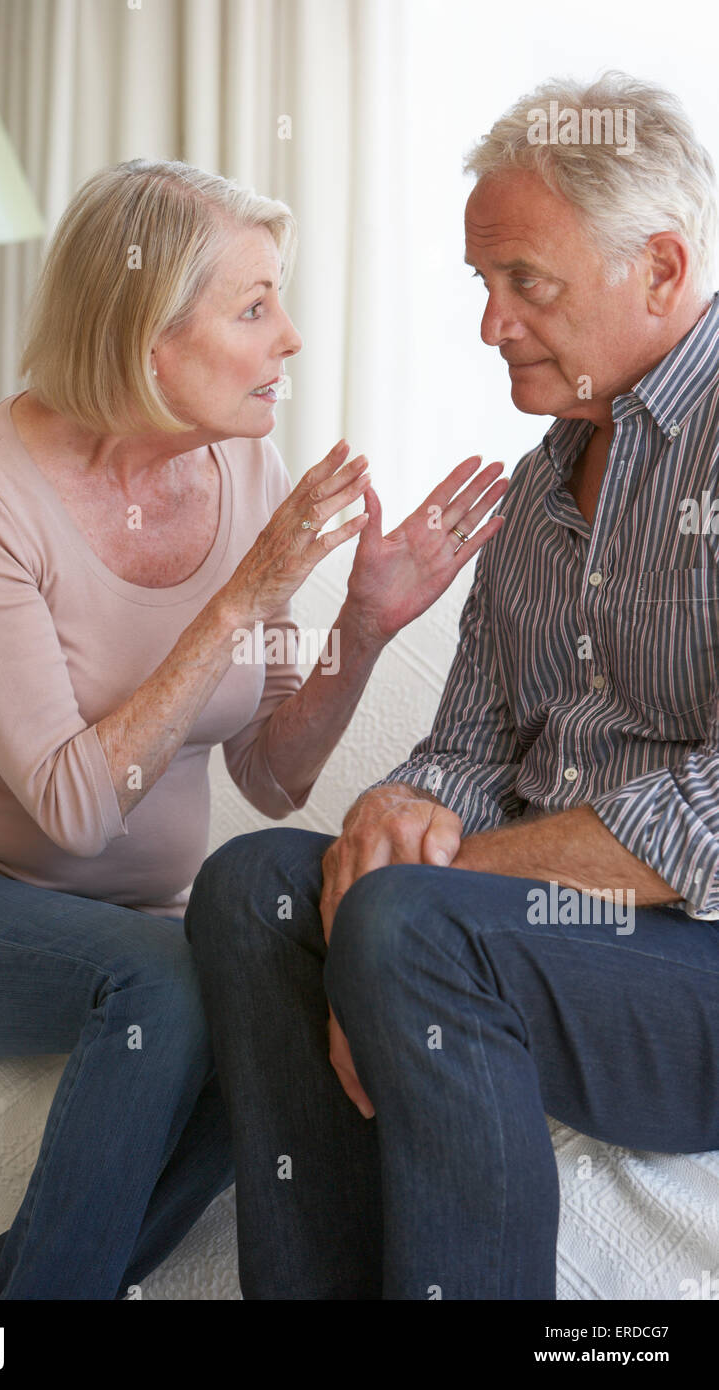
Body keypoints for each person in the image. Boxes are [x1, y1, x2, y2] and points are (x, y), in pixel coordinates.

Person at [0, 158, 506, 1300]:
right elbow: (70, 808)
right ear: (146, 333)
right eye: (253, 307)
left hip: (124, 919)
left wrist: (360, 624)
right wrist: (243, 594)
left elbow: (267, 770)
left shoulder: (240, 473)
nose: (290, 338)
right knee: (163, 981)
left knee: (285, 997)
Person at [186, 72, 719, 1300]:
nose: (490, 324)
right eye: (483, 284)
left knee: (400, 914)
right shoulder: (539, 487)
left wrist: (422, 891)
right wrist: (396, 810)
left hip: (694, 965)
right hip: (539, 941)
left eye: (524, 282)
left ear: (659, 266)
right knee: (254, 886)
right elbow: (471, 743)